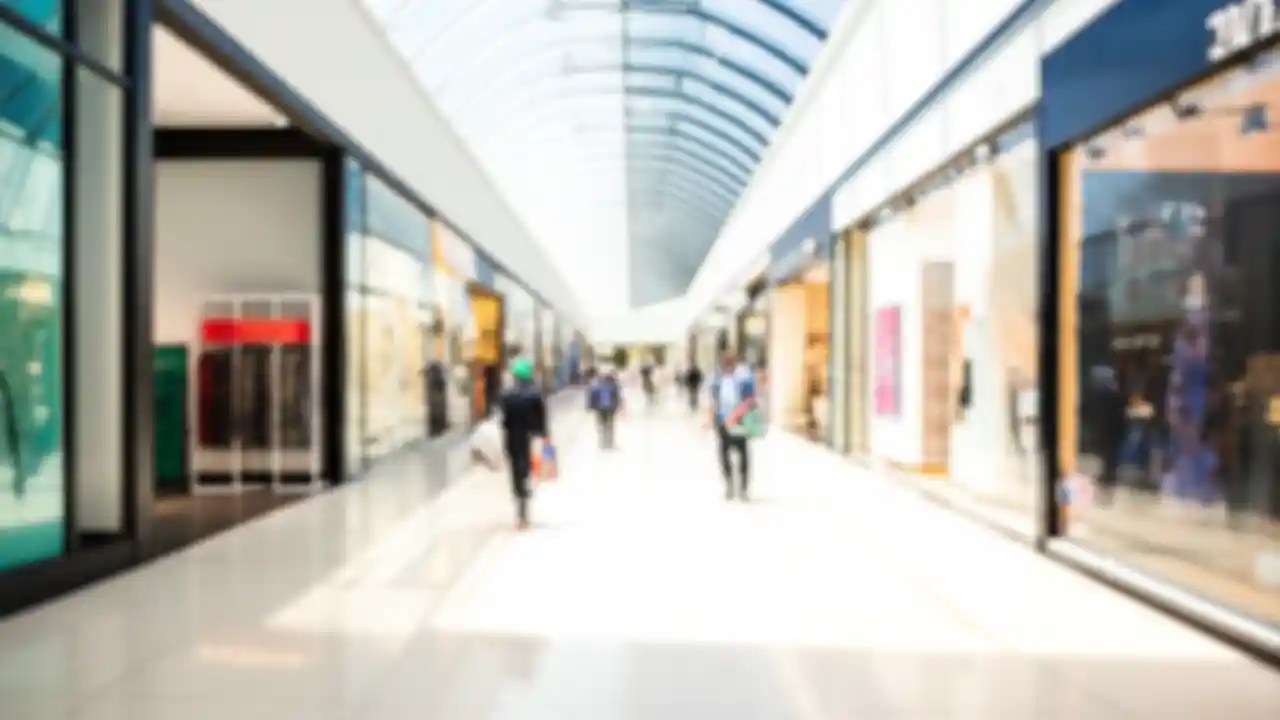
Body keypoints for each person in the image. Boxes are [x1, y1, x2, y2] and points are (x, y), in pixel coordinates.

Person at [499, 357, 548, 530]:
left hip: (512, 437)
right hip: (531, 437)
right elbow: (542, 419)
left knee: (515, 470)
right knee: (527, 468)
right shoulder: (535, 395)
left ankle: (520, 504)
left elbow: (503, 419)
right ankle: (524, 502)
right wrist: (544, 436)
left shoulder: (507, 394)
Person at [710, 351, 757, 501]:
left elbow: (750, 400)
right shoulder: (718, 379)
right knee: (723, 454)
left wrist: (736, 415)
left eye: (730, 362)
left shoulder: (744, 378)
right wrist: (713, 419)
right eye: (725, 363)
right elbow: (714, 401)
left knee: (742, 453)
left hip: (740, 421)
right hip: (723, 421)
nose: (727, 365)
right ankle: (729, 484)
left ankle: (743, 488)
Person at [588, 367, 623, 449]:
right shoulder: (612, 384)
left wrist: (590, 406)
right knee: (608, 425)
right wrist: (618, 405)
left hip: (603, 408)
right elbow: (617, 396)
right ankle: (608, 443)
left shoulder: (597, 383)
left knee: (604, 425)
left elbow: (592, 395)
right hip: (607, 408)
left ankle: (606, 443)